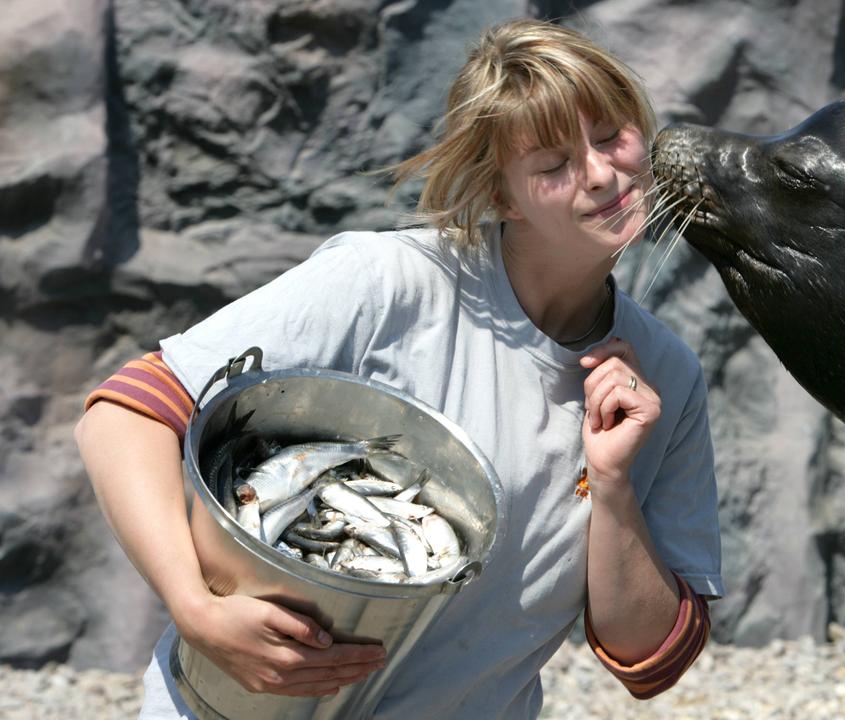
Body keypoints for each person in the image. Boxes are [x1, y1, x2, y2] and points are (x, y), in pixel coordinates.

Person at [75, 18, 722, 718]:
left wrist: (615, 484)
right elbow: (128, 409)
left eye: (610, 135)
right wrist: (194, 607)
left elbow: (654, 659)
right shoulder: (386, 281)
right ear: (502, 195)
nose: (600, 174)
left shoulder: (666, 378)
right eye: (553, 164)